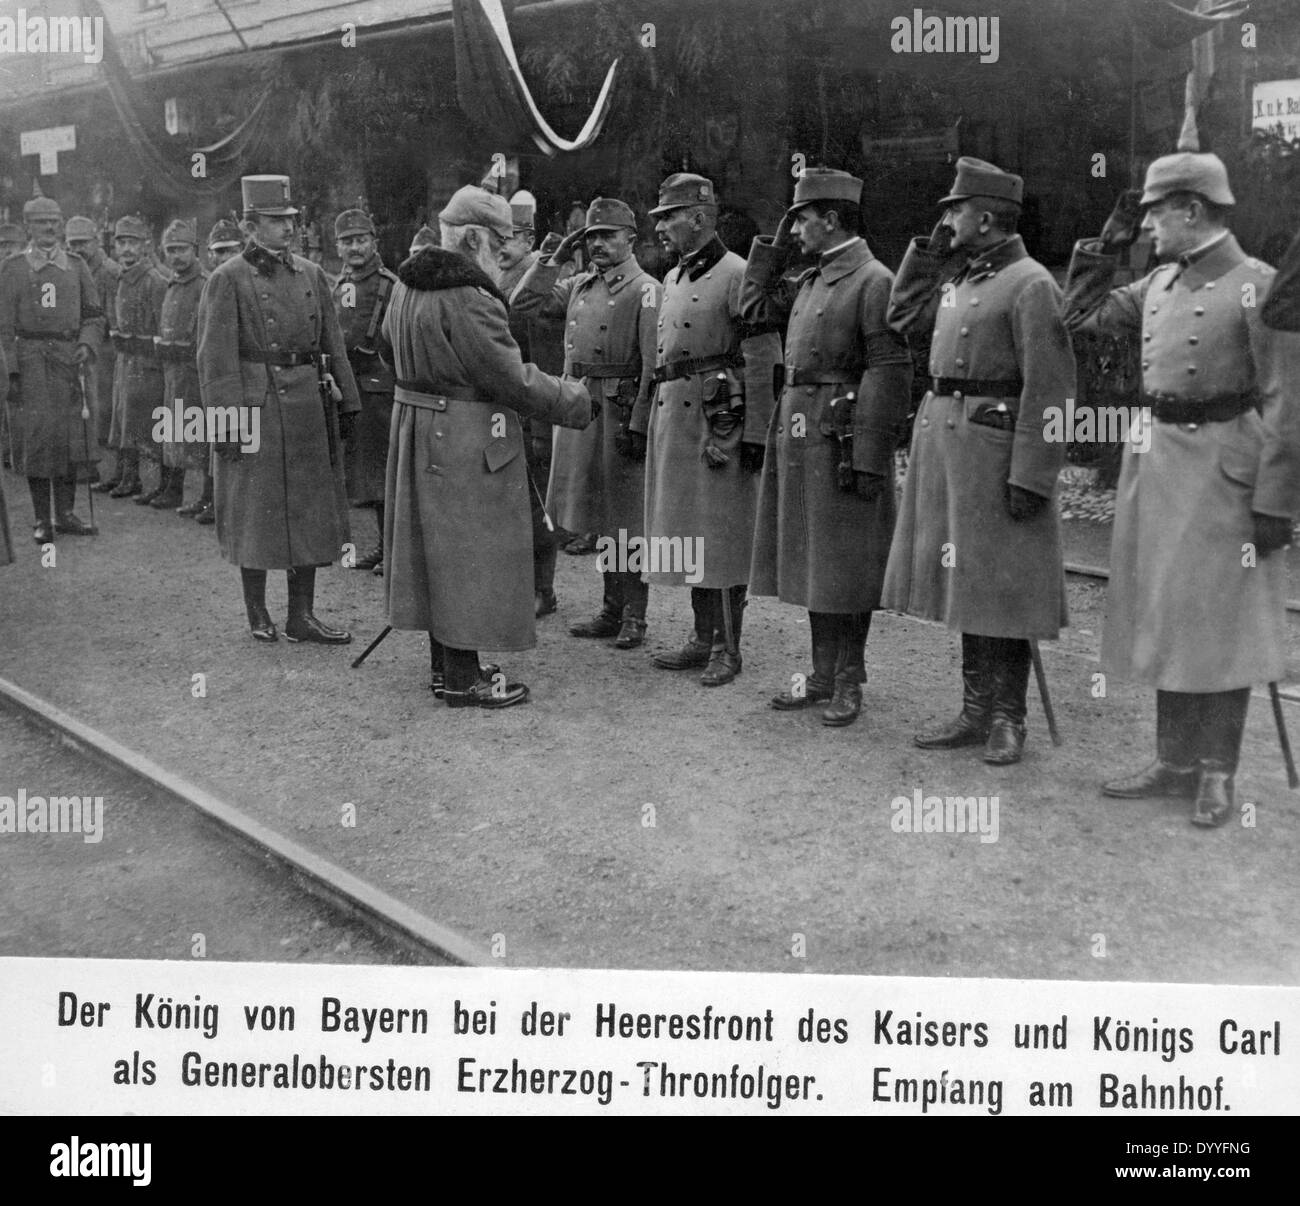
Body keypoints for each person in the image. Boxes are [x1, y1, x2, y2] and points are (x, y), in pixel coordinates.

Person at [1064, 152, 1300, 826]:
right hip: (1159, 463)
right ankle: (1173, 761)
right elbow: (1077, 318)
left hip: (1227, 468)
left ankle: (1217, 772)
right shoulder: (1159, 282)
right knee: (1166, 612)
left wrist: (1277, 501)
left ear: (1191, 210)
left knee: (1219, 623)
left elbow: (1287, 402)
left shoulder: (1259, 287)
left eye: (1153, 211)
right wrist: (1104, 247)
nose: (1145, 225)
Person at [884, 157, 1076, 764]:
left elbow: (1053, 390)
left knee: (1004, 588)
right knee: (968, 583)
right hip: (949, 449)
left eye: (954, 209)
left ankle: (1006, 718)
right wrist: (927, 252)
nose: (946, 217)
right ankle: (973, 711)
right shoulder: (958, 278)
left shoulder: (1032, 283)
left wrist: (1032, 474)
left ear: (986, 217)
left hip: (995, 457)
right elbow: (900, 319)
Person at [381, 184, 593, 709]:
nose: (503, 253)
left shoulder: (406, 285)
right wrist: (574, 398)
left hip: (417, 431)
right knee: (469, 556)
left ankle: (444, 668)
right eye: (497, 242)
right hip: (466, 441)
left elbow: (385, 346)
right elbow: (510, 380)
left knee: (436, 553)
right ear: (472, 237)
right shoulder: (470, 297)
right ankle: (463, 679)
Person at [740, 168, 913, 726]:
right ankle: (819, 674)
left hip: (840, 439)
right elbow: (754, 308)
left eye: (801, 220)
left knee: (847, 562)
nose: (793, 233)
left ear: (832, 220)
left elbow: (889, 370)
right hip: (800, 436)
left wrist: (868, 453)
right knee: (815, 557)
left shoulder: (873, 280)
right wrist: (770, 244)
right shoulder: (811, 279)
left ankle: (849, 679)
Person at [196, 174, 361, 645]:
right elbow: (215, 359)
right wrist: (224, 423)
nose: (287, 228)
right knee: (256, 510)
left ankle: (301, 616)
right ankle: (257, 612)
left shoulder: (311, 274)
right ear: (251, 226)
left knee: (307, 510)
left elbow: (334, 343)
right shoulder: (226, 279)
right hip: (257, 407)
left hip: (308, 405)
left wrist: (347, 401)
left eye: (290, 219)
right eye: (275, 221)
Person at [645, 172, 782, 686]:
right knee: (690, 530)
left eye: (669, 217)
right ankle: (702, 637)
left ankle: (728, 647)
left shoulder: (738, 273)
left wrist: (754, 435)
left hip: (718, 423)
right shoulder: (673, 278)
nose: (660, 228)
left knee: (722, 534)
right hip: (677, 420)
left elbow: (764, 355)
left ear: (699, 218)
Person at [512, 196, 661, 647]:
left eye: (607, 235)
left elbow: (654, 365)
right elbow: (522, 306)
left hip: (619, 408)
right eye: (591, 236)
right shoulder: (578, 284)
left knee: (627, 517)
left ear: (631, 240)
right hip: (580, 408)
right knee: (598, 511)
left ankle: (634, 614)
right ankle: (610, 609)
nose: (597, 244)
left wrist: (638, 424)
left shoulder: (646, 289)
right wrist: (553, 259)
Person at [0, 194, 101, 542]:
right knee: (39, 441)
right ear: (28, 226)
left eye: (55, 221)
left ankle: (67, 513)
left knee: (71, 439)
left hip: (68, 360)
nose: (50, 228)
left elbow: (94, 314)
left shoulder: (76, 266)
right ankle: (42, 519)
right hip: (30, 364)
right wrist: (11, 371)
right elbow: (3, 327)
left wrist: (87, 343)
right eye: (42, 221)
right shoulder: (12, 268)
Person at [499, 190, 566, 618]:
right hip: (509, 406)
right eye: (498, 237)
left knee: (537, 501)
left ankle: (544, 589)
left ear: (529, 240)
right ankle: (525, 585)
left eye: (512, 237)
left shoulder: (543, 281)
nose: (503, 246)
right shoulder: (497, 276)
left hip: (536, 406)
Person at [331, 208, 397, 574]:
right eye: (347, 242)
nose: (355, 248)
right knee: (364, 473)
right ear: (338, 247)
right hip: (349, 386)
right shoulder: (343, 285)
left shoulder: (390, 285)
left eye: (361, 240)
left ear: (374, 242)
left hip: (378, 388)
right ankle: (382, 548)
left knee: (383, 472)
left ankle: (393, 552)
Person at [106, 215, 169, 502]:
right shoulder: (120, 277)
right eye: (122, 242)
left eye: (133, 242)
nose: (127, 248)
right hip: (125, 360)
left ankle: (154, 484)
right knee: (122, 419)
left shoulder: (154, 280)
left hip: (147, 363)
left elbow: (163, 327)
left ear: (146, 246)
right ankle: (126, 476)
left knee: (145, 424)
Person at [187, 219, 245, 527]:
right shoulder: (213, 283)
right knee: (214, 441)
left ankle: (222, 503)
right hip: (212, 372)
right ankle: (211, 499)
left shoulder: (246, 283)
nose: (225, 258)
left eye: (231, 250)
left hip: (240, 377)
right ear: (210, 255)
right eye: (219, 252)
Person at [155, 219, 208, 514]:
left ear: (195, 250)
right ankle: (174, 491)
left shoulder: (206, 284)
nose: (176, 256)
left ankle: (208, 497)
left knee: (201, 433)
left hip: (195, 370)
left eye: (182, 249)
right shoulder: (171, 283)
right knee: (175, 430)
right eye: (170, 249)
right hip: (172, 369)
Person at [65, 216, 119, 467]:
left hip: (106, 345)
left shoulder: (108, 271)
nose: (77, 249)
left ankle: (101, 457)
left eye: (83, 243)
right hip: (82, 342)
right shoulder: (70, 267)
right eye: (72, 244)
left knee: (101, 402)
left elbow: (111, 314)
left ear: (96, 242)